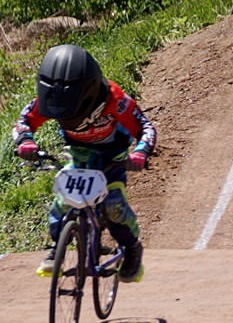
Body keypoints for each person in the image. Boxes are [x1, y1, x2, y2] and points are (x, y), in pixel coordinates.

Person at [12, 44, 155, 281]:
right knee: (63, 200)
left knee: (113, 206)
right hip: (78, 154)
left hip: (112, 156)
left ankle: (132, 248)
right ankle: (58, 245)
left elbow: (145, 128)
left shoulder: (116, 99)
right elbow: (24, 120)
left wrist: (140, 153)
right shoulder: (51, 97)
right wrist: (26, 140)